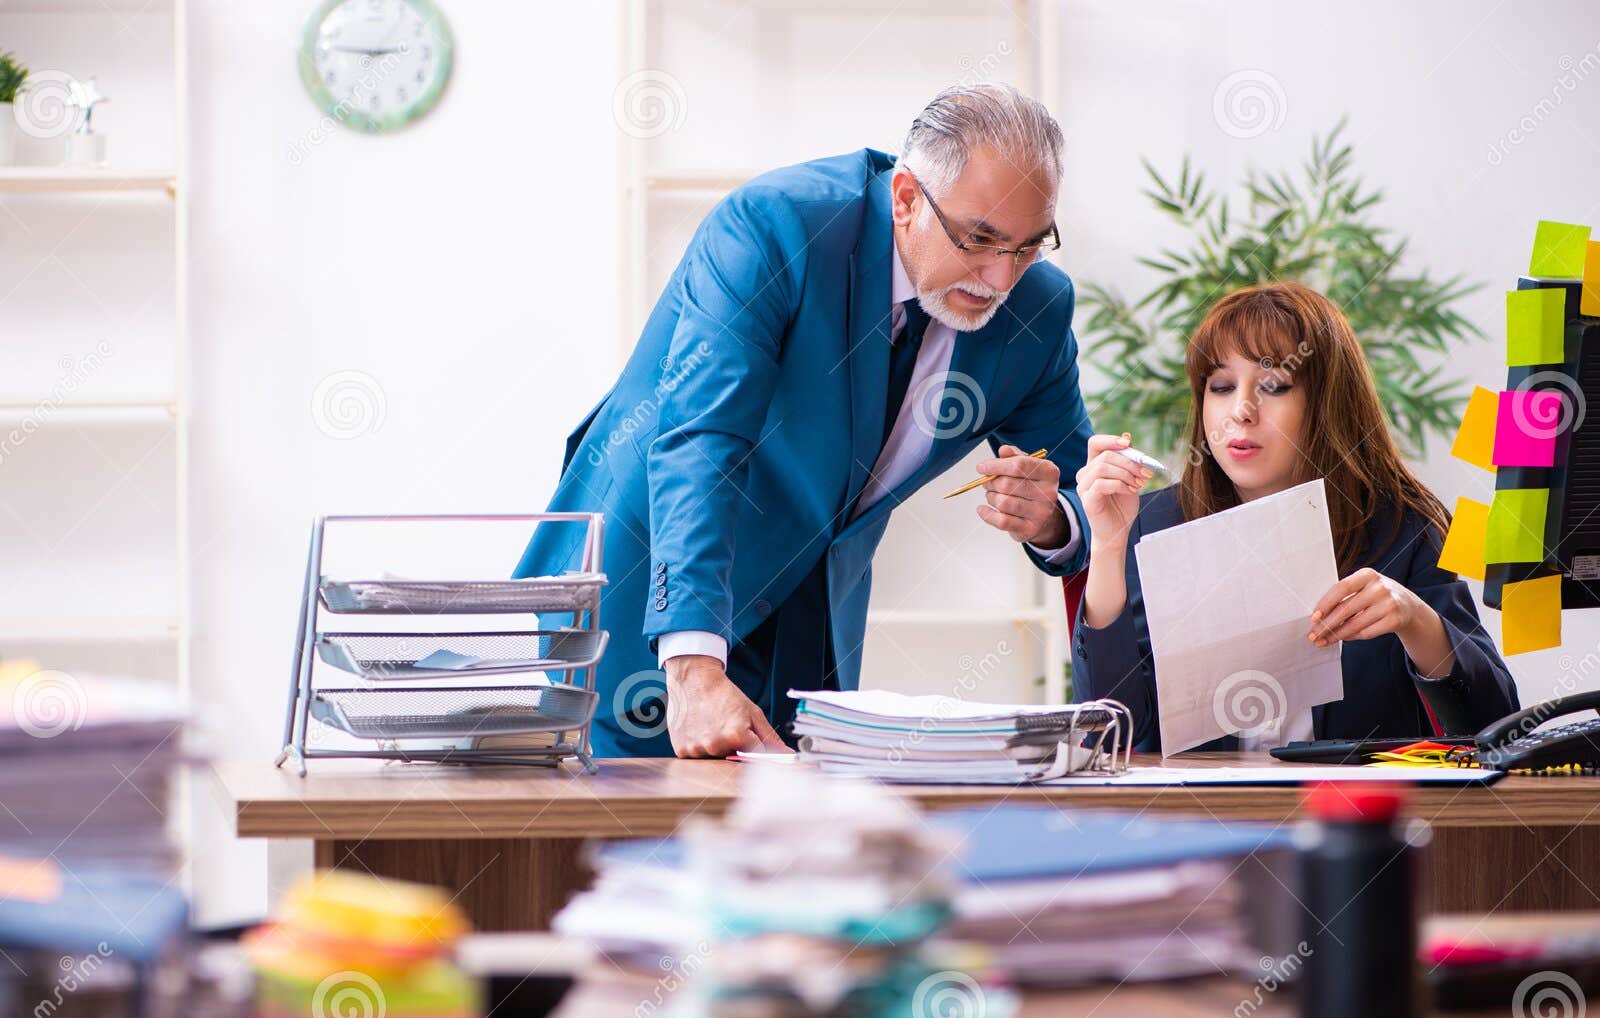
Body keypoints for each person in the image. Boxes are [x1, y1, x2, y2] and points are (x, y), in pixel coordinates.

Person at [515, 84, 1097, 757]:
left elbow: (1080, 490)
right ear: (905, 198)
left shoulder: (1038, 310)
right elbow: (702, 441)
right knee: (606, 843)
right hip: (645, 592)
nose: (1000, 277)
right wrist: (697, 671)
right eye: (980, 239)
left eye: (1028, 247)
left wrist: (1053, 518)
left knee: (791, 848)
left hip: (811, 622)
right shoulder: (776, 226)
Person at [1071, 282, 1518, 751]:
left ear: (1327, 402)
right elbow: (1107, 737)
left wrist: (1416, 620)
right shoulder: (1153, 524)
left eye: (1274, 386)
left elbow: (1496, 724)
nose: (1240, 411)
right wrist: (1107, 546)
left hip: (1346, 816)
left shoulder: (1403, 527)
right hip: (1198, 817)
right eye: (1220, 387)